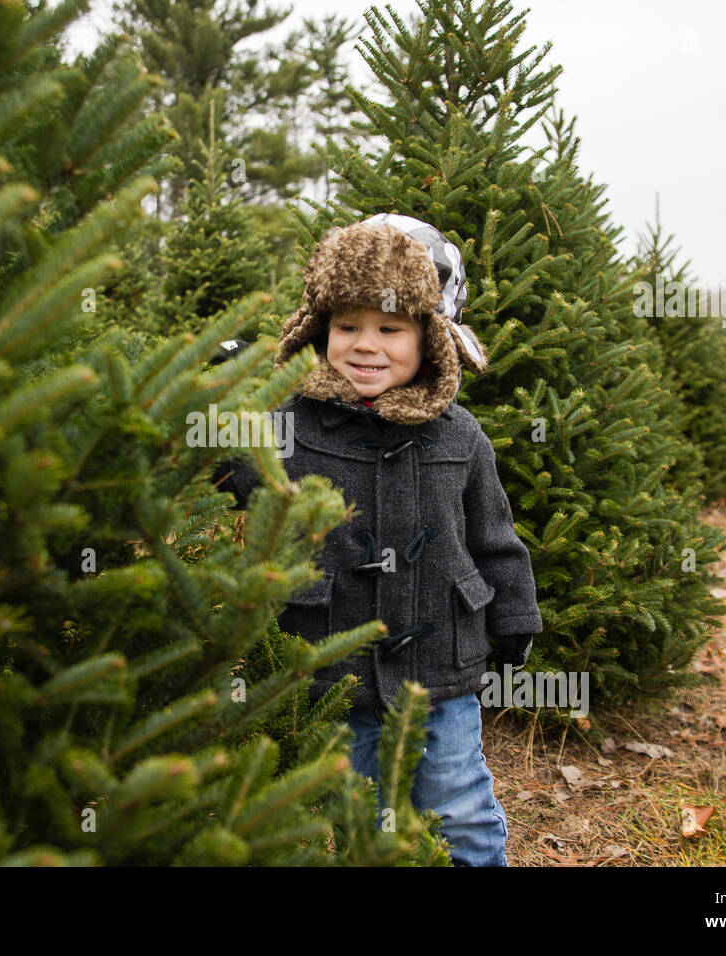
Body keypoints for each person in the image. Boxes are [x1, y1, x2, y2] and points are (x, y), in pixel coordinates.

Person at [211, 214, 543, 866]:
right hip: (333, 674)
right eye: (347, 327)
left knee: (463, 812)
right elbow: (230, 473)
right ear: (318, 330)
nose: (366, 345)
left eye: (390, 328)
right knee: (359, 820)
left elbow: (495, 539)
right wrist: (223, 392)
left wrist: (514, 624)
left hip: (441, 676)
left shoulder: (461, 435)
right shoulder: (289, 423)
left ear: (431, 339)